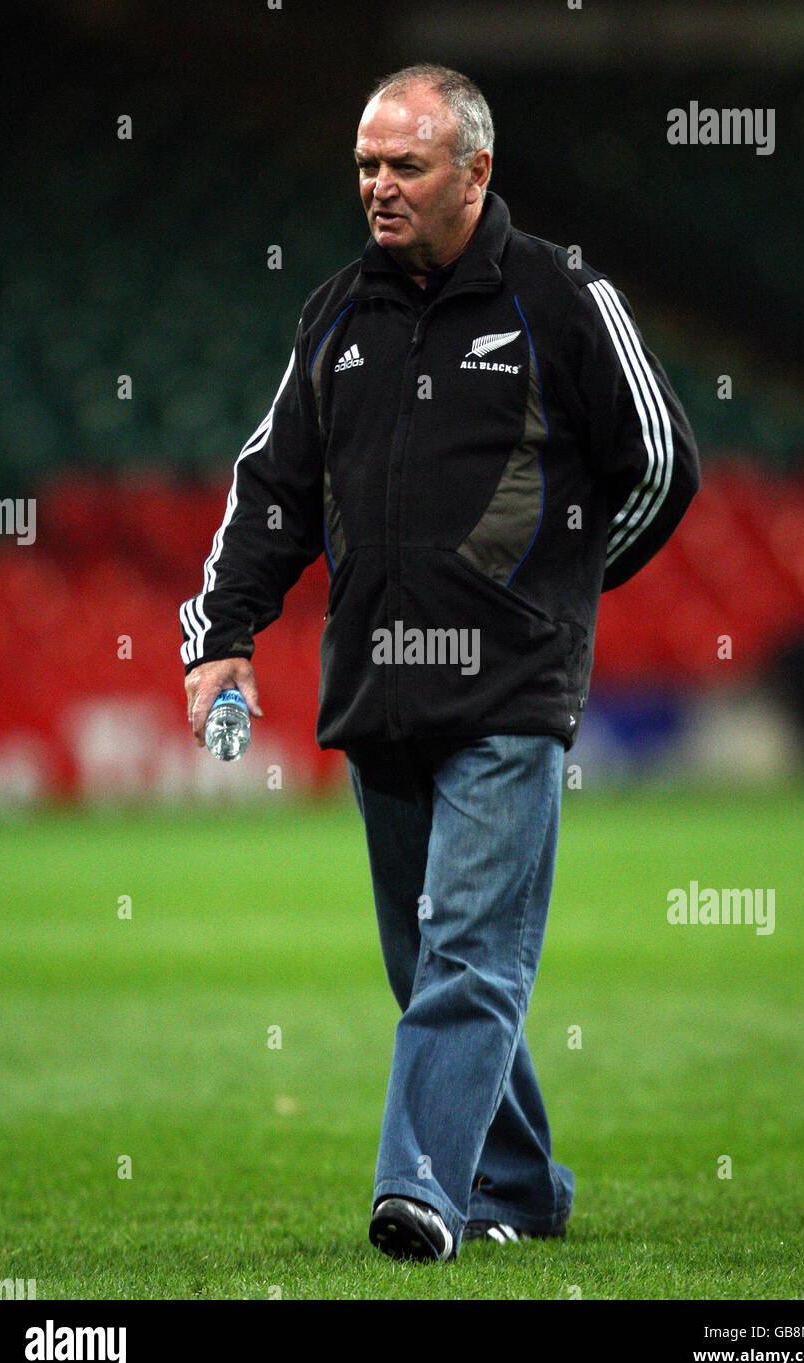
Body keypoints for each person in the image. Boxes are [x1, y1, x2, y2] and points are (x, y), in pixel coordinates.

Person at [181, 62, 700, 1262]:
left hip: (510, 693)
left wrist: (556, 604)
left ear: (475, 171)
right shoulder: (335, 315)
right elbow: (271, 492)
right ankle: (519, 1182)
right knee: (427, 960)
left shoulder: (563, 296)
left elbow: (662, 465)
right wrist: (223, 637)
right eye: (365, 163)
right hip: (377, 687)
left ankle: (419, 1189)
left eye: (403, 164)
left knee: (469, 948)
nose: (378, 186)